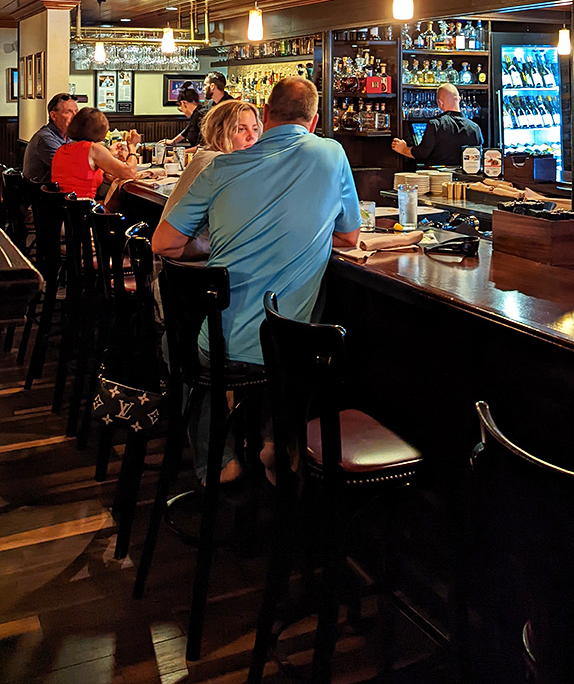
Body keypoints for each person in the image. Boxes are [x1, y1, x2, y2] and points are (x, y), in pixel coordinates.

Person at [153, 77, 361, 484]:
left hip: (219, 347)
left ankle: (221, 457)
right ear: (315, 121)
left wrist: (219, 246)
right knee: (293, 344)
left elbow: (166, 244)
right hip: (288, 349)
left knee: (178, 346)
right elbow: (349, 237)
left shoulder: (219, 167)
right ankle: (276, 440)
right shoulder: (331, 154)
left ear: (265, 117)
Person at [159, 100, 261, 260]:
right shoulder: (220, 164)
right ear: (220, 132)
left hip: (174, 268)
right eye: (240, 129)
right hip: (198, 271)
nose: (252, 136)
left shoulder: (204, 155)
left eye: (255, 129)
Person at [51, 107, 141, 199]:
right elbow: (130, 173)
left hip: (63, 208)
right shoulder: (93, 148)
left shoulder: (61, 150)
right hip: (83, 208)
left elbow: (84, 173)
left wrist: (110, 154)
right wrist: (132, 147)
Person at [392, 83, 483, 167]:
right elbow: (478, 156)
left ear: (440, 103)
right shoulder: (475, 128)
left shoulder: (436, 124)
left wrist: (403, 149)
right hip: (465, 179)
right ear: (459, 99)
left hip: (438, 179)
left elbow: (421, 153)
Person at [22, 92, 79, 183]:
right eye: (68, 112)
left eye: (76, 111)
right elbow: (69, 169)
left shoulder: (69, 137)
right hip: (41, 194)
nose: (75, 116)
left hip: (57, 190)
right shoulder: (45, 138)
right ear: (53, 115)